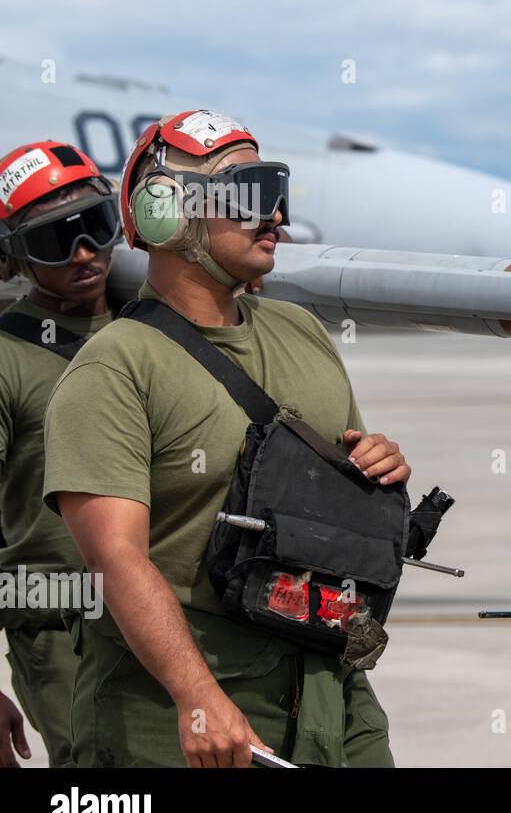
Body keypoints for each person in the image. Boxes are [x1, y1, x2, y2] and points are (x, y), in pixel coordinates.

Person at [43, 110, 409, 768]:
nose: (274, 217)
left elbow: (339, 489)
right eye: (249, 196)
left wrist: (376, 468)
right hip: (184, 718)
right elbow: (117, 558)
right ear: (165, 213)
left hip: (332, 695)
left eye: (278, 194)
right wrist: (197, 696)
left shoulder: (301, 331)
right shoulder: (116, 367)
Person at [0, 140, 120, 767]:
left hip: (174, 616)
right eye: (53, 240)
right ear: (16, 255)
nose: (83, 253)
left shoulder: (154, 325)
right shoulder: (6, 361)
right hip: (61, 633)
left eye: (94, 228)